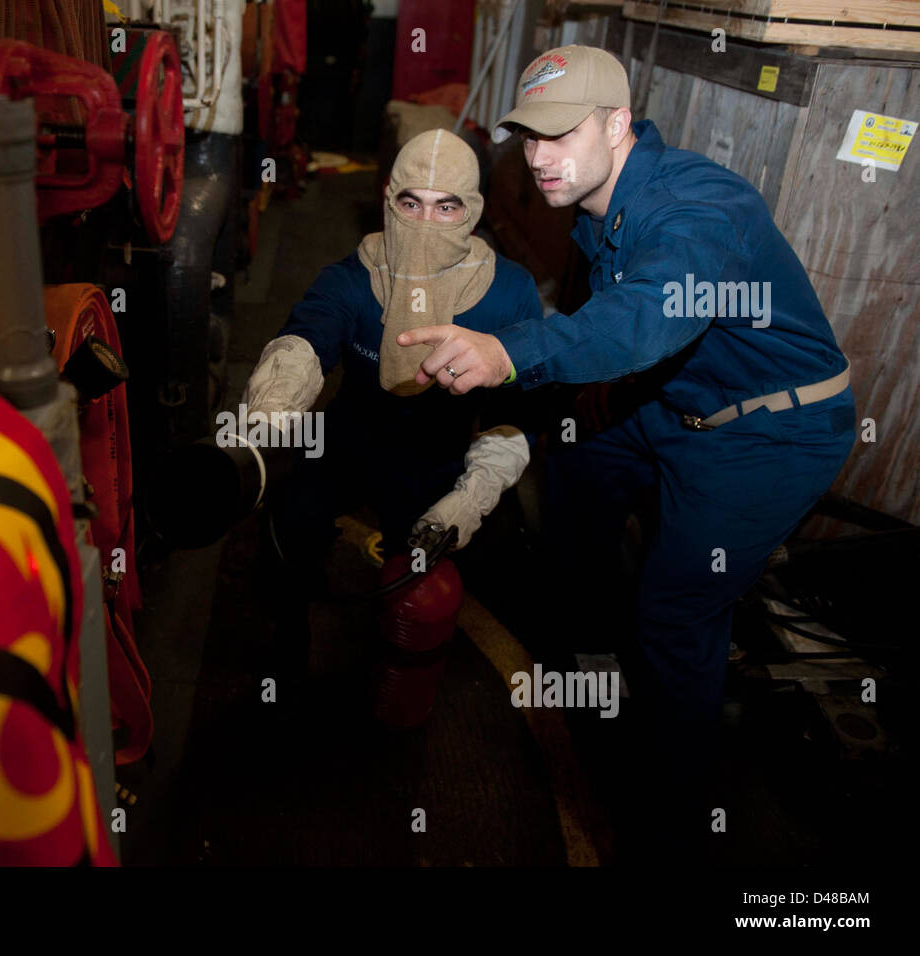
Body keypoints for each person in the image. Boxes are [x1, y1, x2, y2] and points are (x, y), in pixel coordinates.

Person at [397, 45, 856, 854]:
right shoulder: (592, 201)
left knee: (676, 615)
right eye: (527, 137)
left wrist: (508, 354)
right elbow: (621, 338)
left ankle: (669, 825)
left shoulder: (698, 210)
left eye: (558, 135)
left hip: (765, 433)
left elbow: (645, 319)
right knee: (576, 460)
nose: (538, 157)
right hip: (674, 402)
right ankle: (591, 662)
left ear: (616, 125)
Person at [241, 128, 542, 683]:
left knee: (449, 569)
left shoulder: (510, 295)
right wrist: (270, 412)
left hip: (439, 457)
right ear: (388, 202)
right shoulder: (354, 277)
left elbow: (516, 417)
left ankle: (404, 669)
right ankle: (287, 650)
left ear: (472, 212)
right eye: (411, 204)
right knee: (286, 530)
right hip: (348, 440)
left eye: (445, 206)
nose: (424, 224)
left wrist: (472, 498)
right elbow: (306, 338)